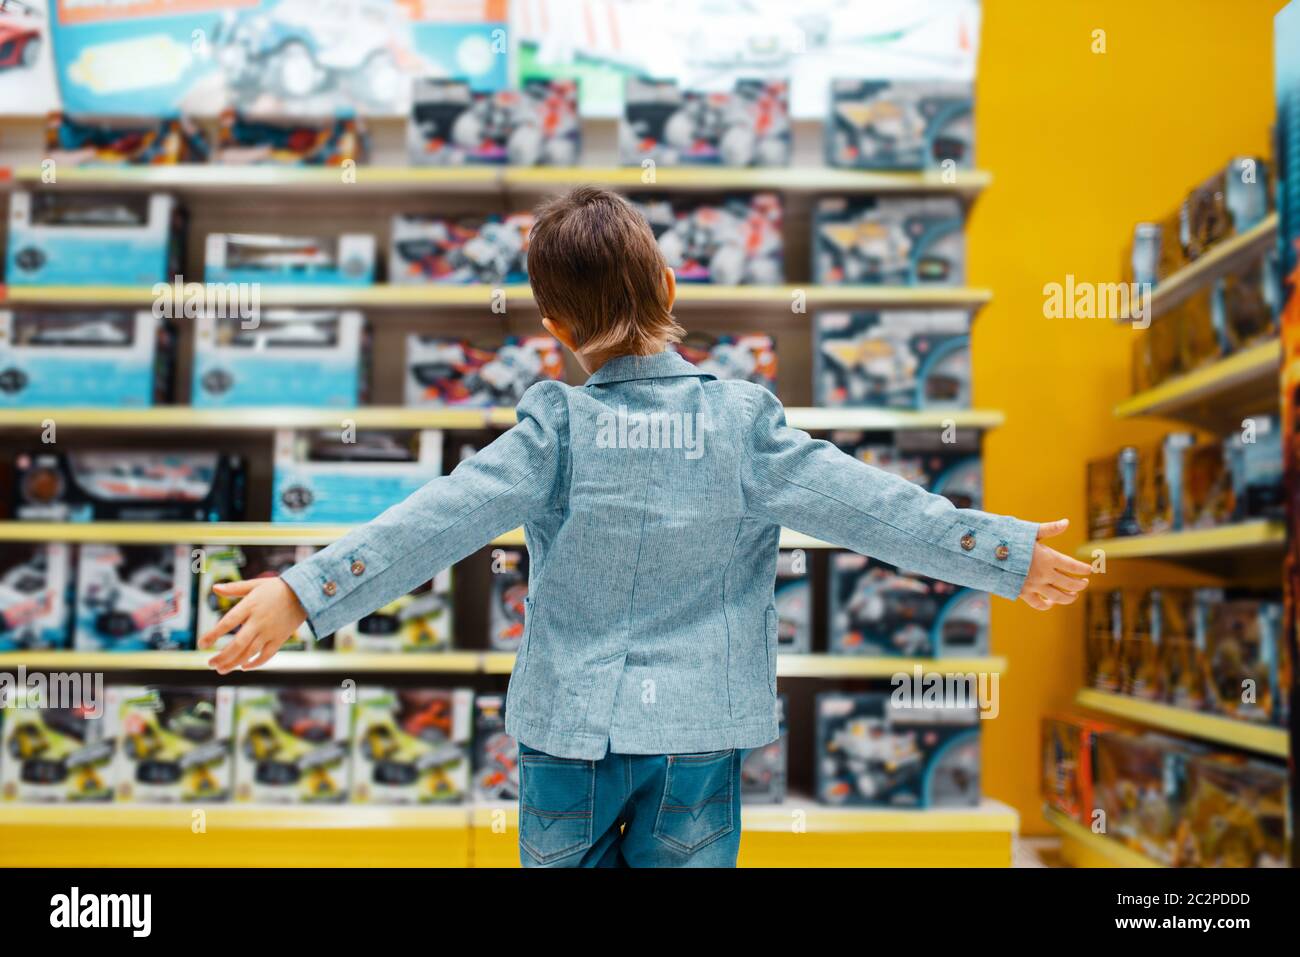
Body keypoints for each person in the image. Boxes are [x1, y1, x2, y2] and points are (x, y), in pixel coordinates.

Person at [199, 185, 1090, 867]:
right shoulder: (744, 421)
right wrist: (1008, 555)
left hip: (569, 734)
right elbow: (874, 507)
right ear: (669, 284)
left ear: (553, 327)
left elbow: (436, 520)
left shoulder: (557, 426)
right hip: (698, 737)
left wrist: (300, 592)